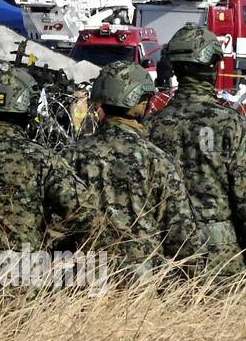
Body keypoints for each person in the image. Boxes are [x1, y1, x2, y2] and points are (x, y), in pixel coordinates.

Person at [145, 23, 246, 277]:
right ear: (213, 67)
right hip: (220, 256)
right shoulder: (229, 123)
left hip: (167, 253)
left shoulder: (153, 125)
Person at [0, 65, 90, 292]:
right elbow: (84, 211)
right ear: (28, 107)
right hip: (27, 278)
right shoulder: (43, 158)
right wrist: (50, 243)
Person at [65, 61, 195, 278]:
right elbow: (182, 236)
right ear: (141, 103)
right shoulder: (158, 161)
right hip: (140, 283)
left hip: (84, 279)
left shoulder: (71, 157)